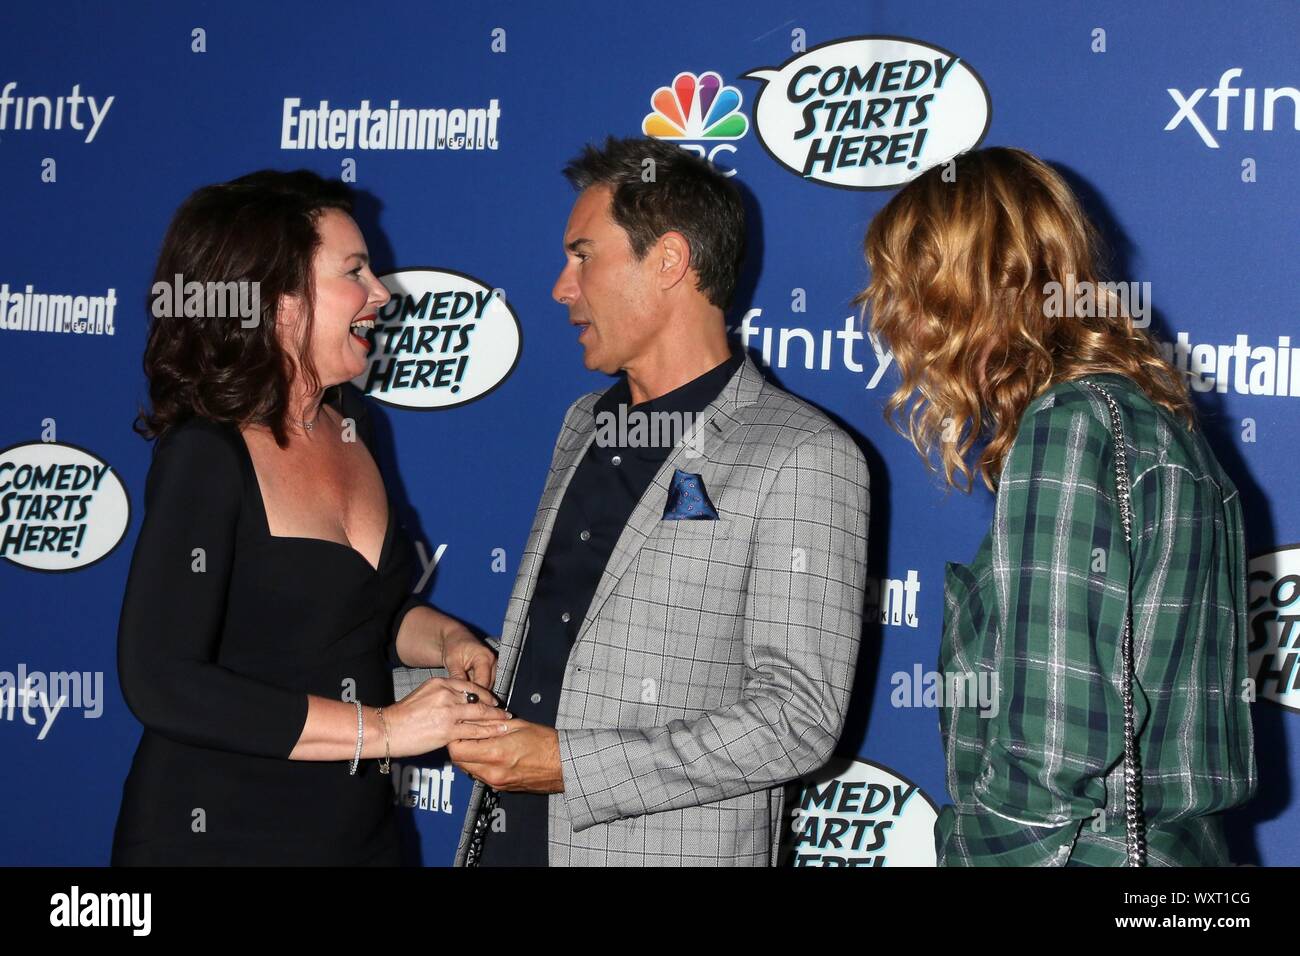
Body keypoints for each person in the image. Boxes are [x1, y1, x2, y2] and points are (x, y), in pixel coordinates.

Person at [445, 135, 871, 866]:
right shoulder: (583, 421)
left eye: (583, 255)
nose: (560, 286)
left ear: (669, 261)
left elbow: (798, 719)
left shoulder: (802, 454)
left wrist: (569, 767)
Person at [856, 146, 1257, 866]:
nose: (891, 320)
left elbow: (1053, 743)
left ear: (958, 291)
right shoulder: (1158, 422)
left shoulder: (1068, 426)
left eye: (904, 288)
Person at [111, 170, 510, 866]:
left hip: (359, 835)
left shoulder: (354, 424)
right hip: (217, 838)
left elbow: (354, 615)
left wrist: (446, 638)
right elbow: (160, 678)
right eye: (355, 271)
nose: (382, 293)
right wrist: (383, 729)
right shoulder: (207, 454)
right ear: (278, 301)